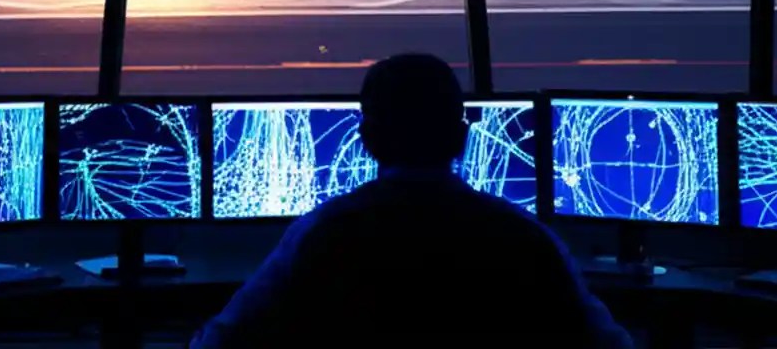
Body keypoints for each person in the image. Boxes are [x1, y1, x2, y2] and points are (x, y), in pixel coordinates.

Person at [190, 53, 634, 348]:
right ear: (461, 138)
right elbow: (610, 343)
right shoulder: (527, 238)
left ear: (367, 140)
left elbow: (221, 342)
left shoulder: (320, 235)